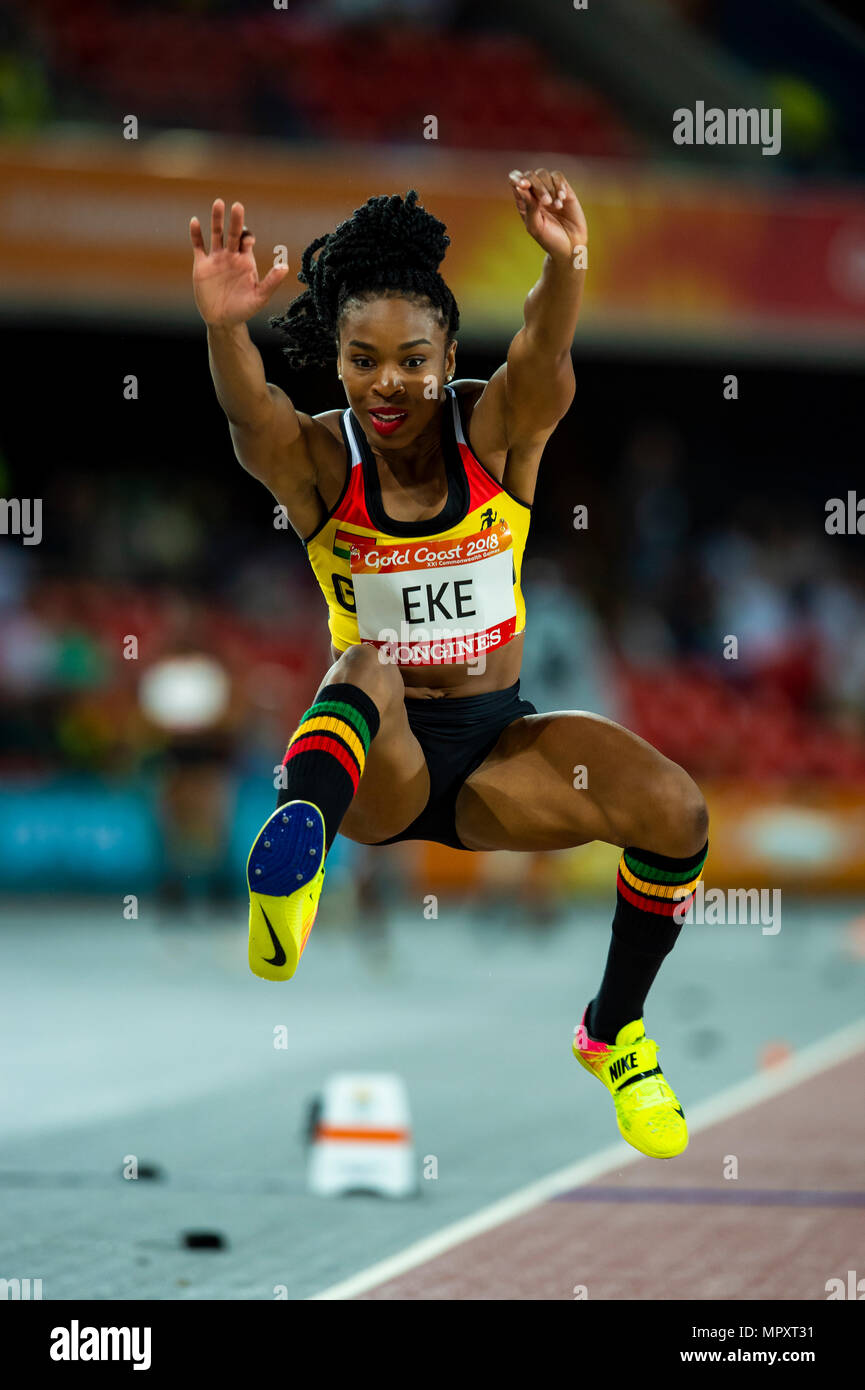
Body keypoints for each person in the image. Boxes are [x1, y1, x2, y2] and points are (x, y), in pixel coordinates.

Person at [190, 176, 709, 1160]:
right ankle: (299, 860)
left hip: (498, 752)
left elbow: (544, 351)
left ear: (446, 358)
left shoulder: (494, 433)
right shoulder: (318, 462)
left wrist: (566, 262)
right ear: (336, 363)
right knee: (363, 662)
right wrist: (225, 330)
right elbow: (251, 418)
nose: (387, 383)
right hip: (381, 767)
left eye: (412, 360)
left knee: (676, 813)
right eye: (361, 360)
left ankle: (613, 1033)